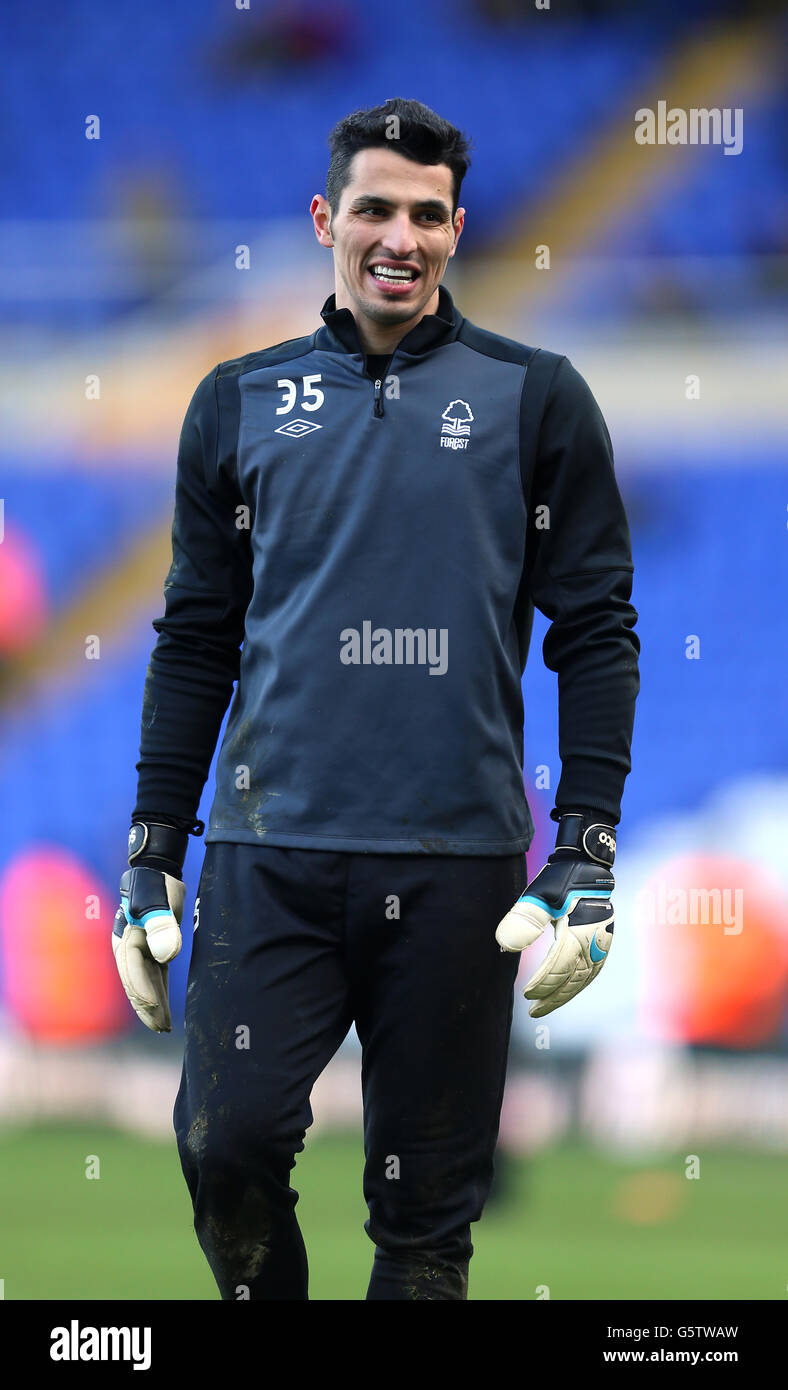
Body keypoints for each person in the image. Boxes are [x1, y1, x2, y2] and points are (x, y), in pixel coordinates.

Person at [112, 97, 640, 1301]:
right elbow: (193, 641)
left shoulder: (537, 398)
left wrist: (587, 846)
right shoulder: (235, 401)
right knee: (226, 1146)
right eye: (373, 209)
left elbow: (597, 631)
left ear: (455, 229)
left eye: (426, 214)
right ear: (324, 219)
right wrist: (151, 850)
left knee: (423, 1230)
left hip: (458, 867)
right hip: (269, 854)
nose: (399, 237)